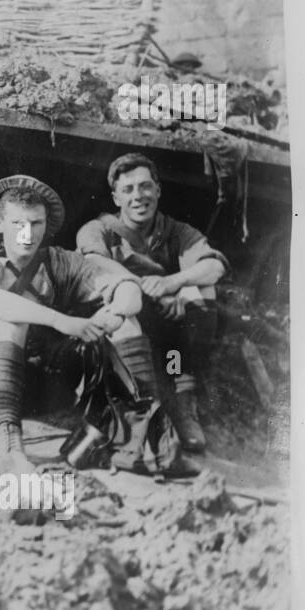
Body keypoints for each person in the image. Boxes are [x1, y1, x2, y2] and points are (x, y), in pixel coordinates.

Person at [0, 175, 158, 476]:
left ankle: (146, 436)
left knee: (125, 322)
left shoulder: (60, 262)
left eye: (36, 224)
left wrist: (114, 312)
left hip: (51, 387)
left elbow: (124, 286)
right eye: (17, 224)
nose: (27, 233)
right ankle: (8, 445)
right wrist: (63, 321)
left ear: (46, 225)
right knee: (11, 321)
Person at [76, 153, 229, 451]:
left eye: (145, 187)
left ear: (158, 190)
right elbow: (93, 260)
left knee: (202, 292)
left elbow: (215, 266)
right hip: (123, 335)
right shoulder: (101, 230)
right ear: (116, 197)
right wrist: (148, 290)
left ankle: (184, 402)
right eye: (128, 190)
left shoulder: (174, 231)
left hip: (169, 341)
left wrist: (173, 285)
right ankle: (149, 411)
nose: (139, 196)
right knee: (123, 313)